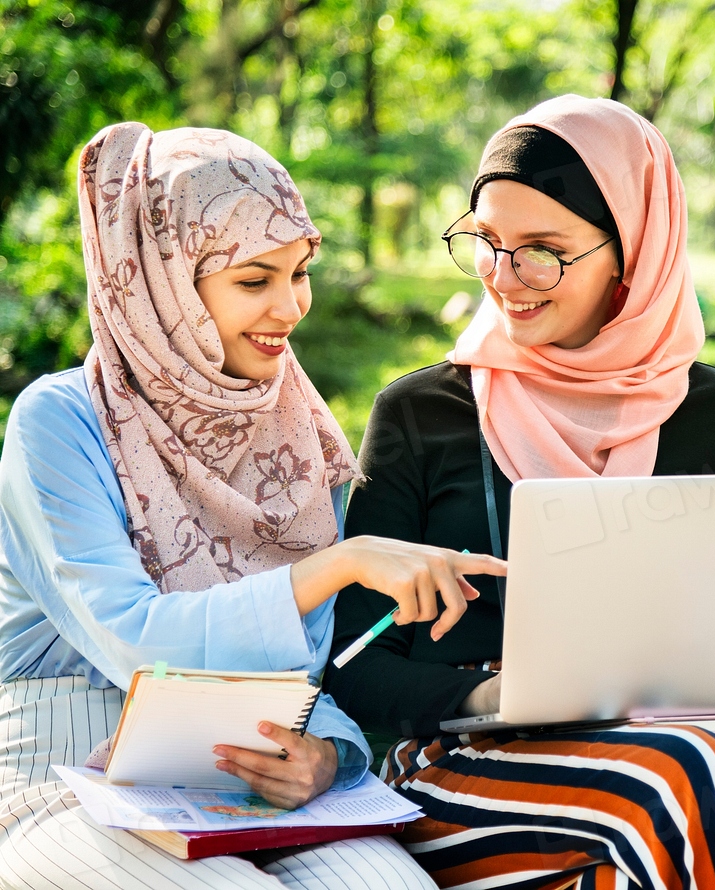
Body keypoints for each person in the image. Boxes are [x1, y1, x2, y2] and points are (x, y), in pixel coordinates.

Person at [0, 122, 505, 889]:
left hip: (240, 788)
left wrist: (326, 756)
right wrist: (340, 564)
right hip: (61, 782)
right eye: (253, 280)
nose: (291, 306)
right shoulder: (58, 423)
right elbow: (134, 644)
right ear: (163, 282)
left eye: (300, 272)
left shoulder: (289, 435)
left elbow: (303, 669)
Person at [325, 95, 715, 890]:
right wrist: (496, 691)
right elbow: (351, 665)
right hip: (456, 766)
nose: (505, 279)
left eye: (543, 250)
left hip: (653, 752)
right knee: (677, 783)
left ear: (631, 252)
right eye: (488, 242)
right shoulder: (421, 414)